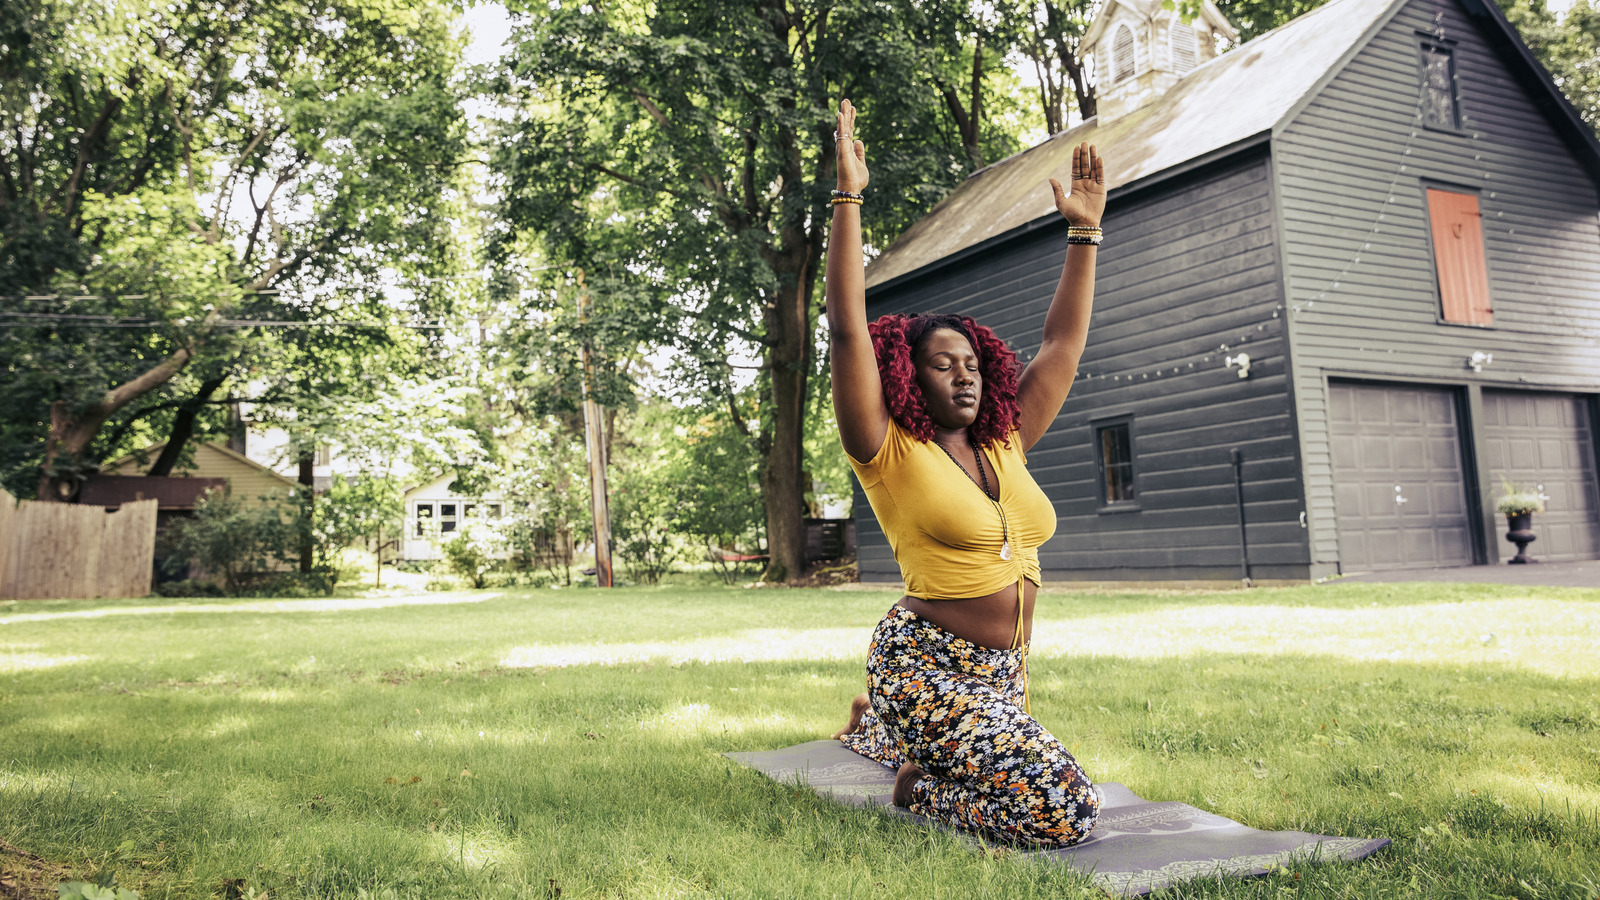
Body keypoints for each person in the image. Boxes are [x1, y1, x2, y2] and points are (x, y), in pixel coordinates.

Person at [824, 98, 1106, 848]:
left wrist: (1084, 232)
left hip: (1002, 674)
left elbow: (1062, 346)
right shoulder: (886, 448)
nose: (965, 373)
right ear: (907, 378)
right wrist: (848, 195)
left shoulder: (1006, 440)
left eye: (973, 362)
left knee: (1015, 771)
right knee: (1066, 810)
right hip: (924, 664)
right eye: (942, 364)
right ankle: (915, 784)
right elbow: (847, 328)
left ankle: (877, 728)